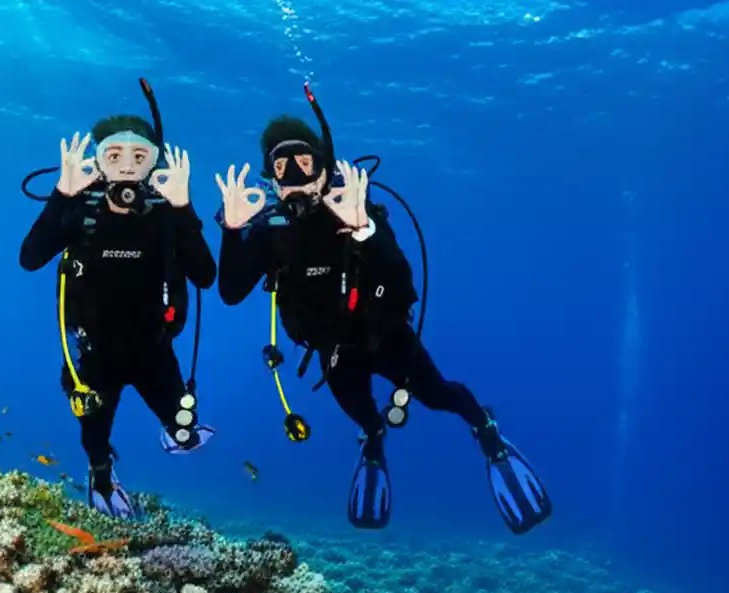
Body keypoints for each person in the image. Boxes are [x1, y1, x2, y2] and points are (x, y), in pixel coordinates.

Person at [212, 84, 552, 535]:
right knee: (365, 416)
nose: (295, 175)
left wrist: (363, 229)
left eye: (305, 163)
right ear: (270, 178)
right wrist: (232, 233)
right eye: (281, 166)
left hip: (388, 335)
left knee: (439, 395)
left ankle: (486, 430)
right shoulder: (267, 231)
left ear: (325, 168)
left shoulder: (357, 211)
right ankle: (372, 441)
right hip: (332, 350)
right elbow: (231, 292)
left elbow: (404, 282)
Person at [19, 79, 217, 520]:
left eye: (139, 156)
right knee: (95, 437)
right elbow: (30, 259)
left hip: (154, 348)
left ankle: (175, 430)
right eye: (114, 156)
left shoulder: (167, 213)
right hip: (96, 352)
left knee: (183, 430)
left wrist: (184, 208)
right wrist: (62, 193)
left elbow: (206, 275)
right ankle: (101, 474)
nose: (127, 167)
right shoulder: (79, 210)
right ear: (98, 164)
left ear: (153, 165)